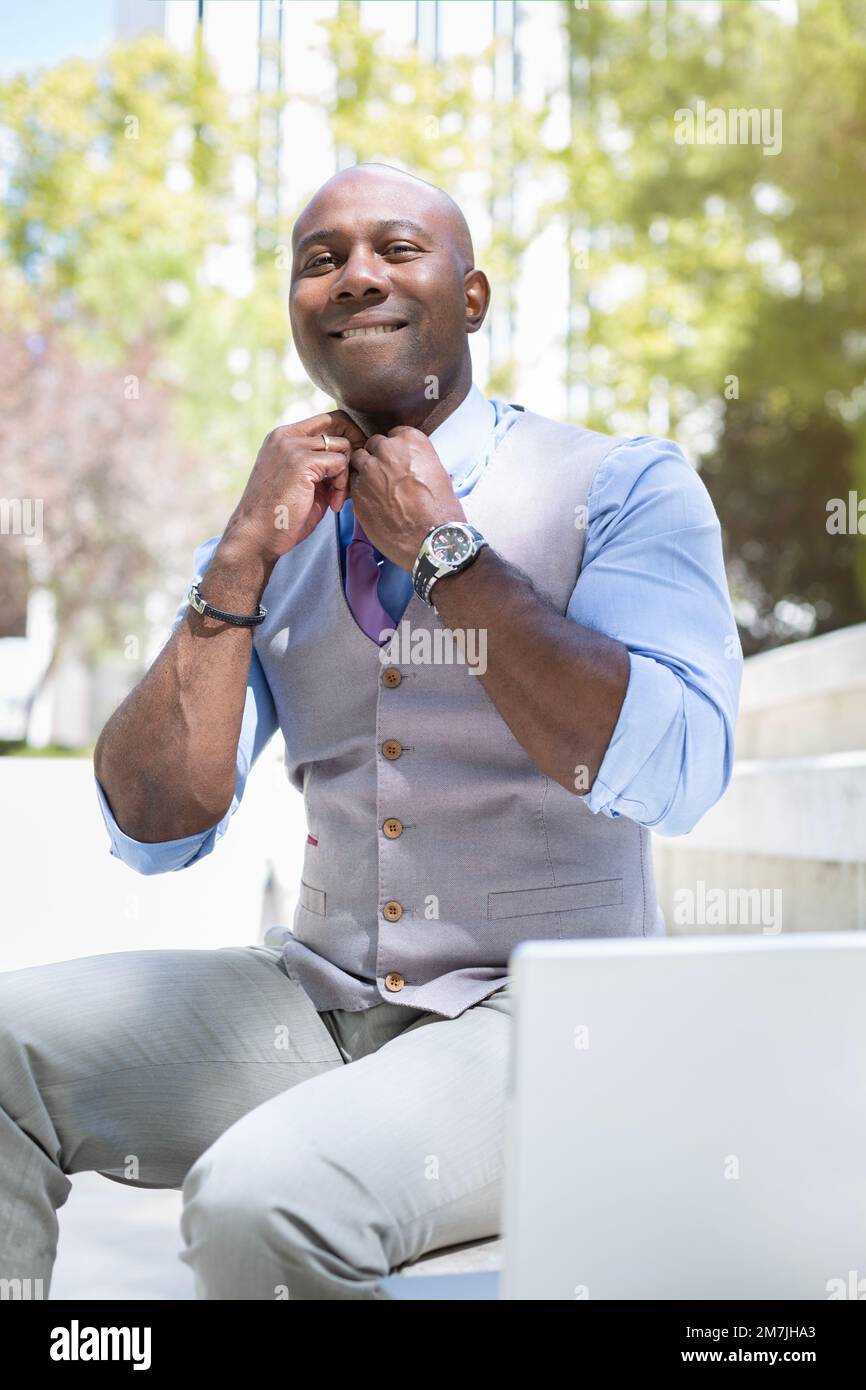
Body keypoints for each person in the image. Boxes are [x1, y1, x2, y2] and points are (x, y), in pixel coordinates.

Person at [0, 163, 741, 1300]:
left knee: (261, 1199)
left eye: (396, 248)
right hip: (318, 998)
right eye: (318, 259)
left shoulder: (621, 486)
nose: (353, 276)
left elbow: (675, 772)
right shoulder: (278, 524)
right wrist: (240, 556)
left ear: (473, 297)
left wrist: (448, 556)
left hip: (546, 1023)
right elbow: (156, 824)